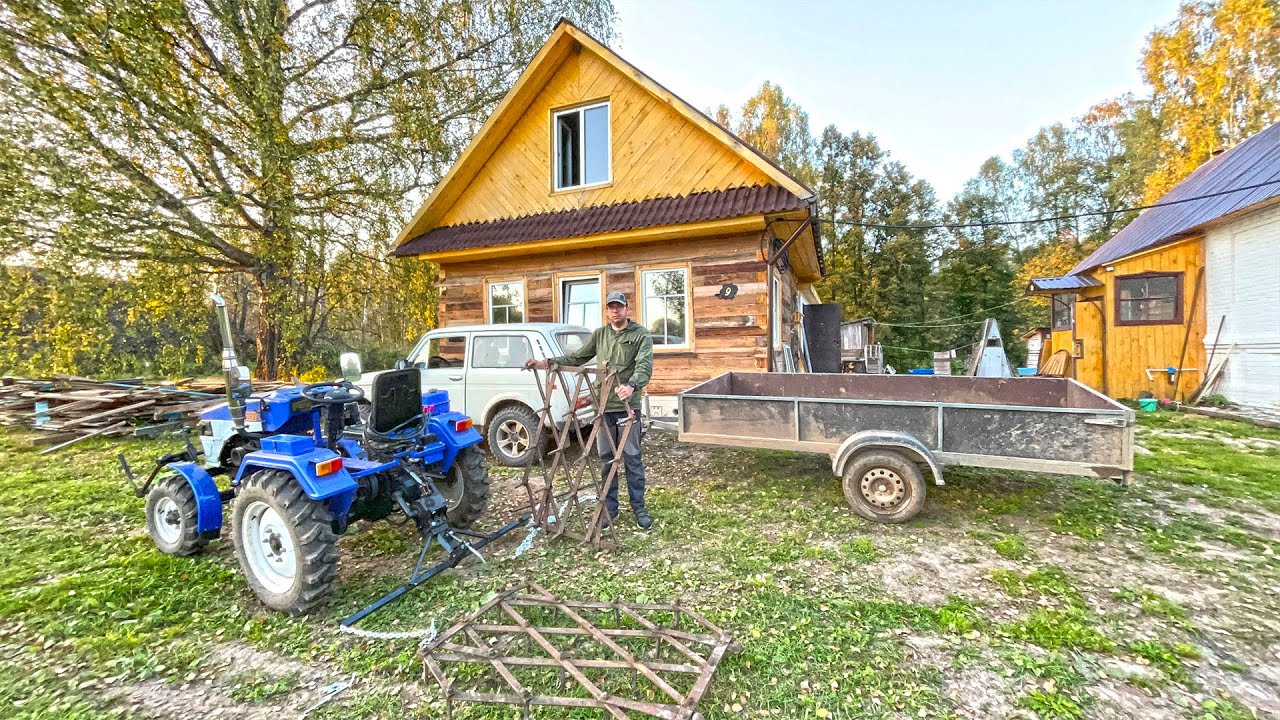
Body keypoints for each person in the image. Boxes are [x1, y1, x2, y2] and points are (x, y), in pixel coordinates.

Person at [526, 291, 654, 529]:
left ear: (627, 309)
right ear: (607, 311)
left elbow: (645, 365)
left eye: (619, 307)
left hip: (628, 407)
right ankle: (610, 508)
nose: (615, 311)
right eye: (611, 308)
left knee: (632, 457)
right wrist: (545, 363)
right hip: (603, 406)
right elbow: (577, 358)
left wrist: (632, 385)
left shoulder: (640, 335)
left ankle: (639, 508)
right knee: (607, 458)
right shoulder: (600, 335)